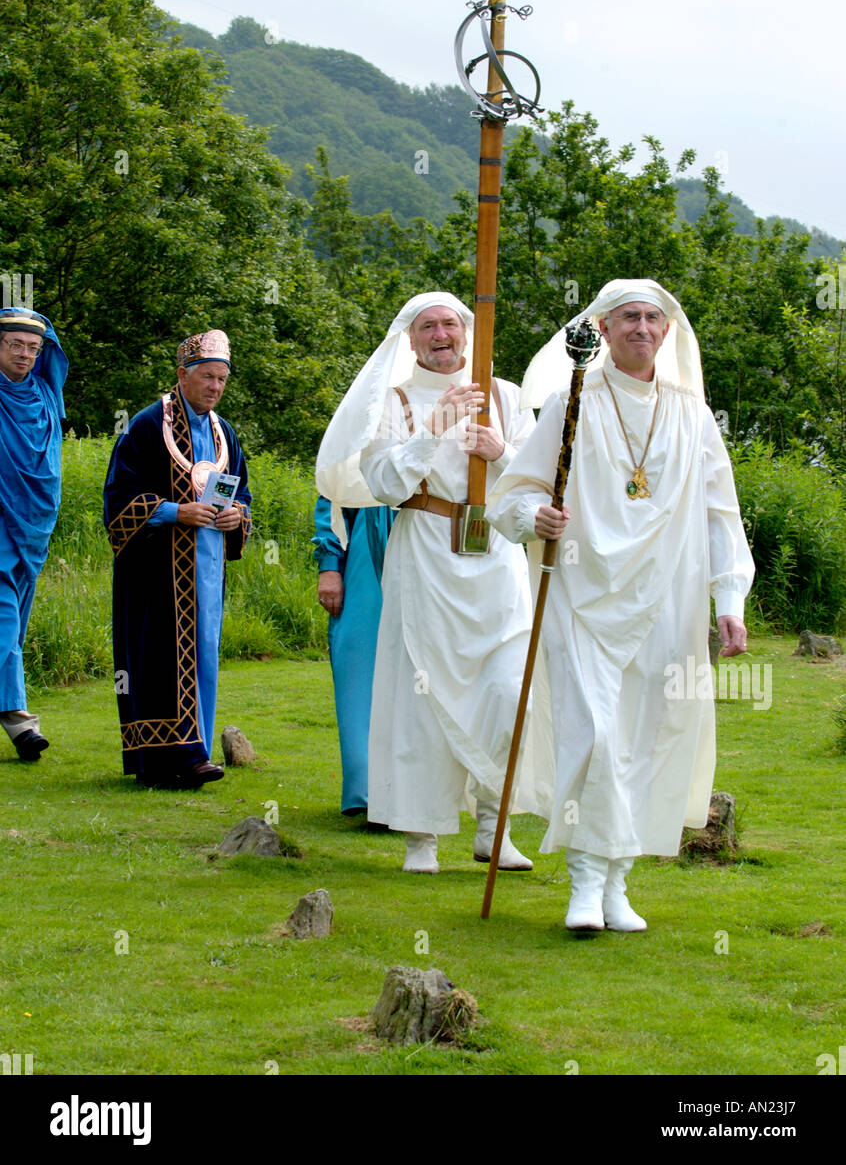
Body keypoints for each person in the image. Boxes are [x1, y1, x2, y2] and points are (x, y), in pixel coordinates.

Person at [487, 280, 754, 931]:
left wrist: (729, 598)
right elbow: (510, 496)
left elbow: (721, 513)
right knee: (596, 735)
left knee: (644, 737)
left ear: (668, 331)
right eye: (628, 316)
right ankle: (583, 881)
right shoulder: (572, 402)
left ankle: (618, 884)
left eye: (652, 317)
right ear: (602, 329)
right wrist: (535, 516)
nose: (641, 326)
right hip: (581, 595)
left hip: (667, 601)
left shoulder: (692, 415)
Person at [316, 292, 552, 873]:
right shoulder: (392, 401)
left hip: (495, 556)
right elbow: (385, 482)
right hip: (424, 552)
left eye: (450, 323)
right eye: (428, 327)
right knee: (421, 698)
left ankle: (494, 828)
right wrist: (434, 429)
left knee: (505, 693)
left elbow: (538, 477)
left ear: (468, 332)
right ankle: (421, 840)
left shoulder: (506, 395)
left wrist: (499, 452)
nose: (441, 334)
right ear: (411, 338)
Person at [103, 330, 251, 788]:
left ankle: (196, 750)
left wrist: (237, 519)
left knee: (201, 656)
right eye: (207, 377)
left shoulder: (224, 432)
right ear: (183, 375)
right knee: (157, 658)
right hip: (155, 570)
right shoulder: (147, 425)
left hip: (205, 570)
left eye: (222, 379)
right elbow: (117, 497)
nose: (215, 387)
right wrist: (173, 511)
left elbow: (241, 491)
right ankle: (168, 758)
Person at [0, 307, 68, 762]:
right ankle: (20, 720)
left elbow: (49, 466)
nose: (25, 354)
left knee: (14, 621)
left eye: (33, 348)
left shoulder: (45, 395)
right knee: (2, 615)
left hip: (34, 525)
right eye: (15, 345)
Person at [312, 495, 394, 815]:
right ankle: (367, 790)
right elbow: (332, 492)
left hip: (425, 538)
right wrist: (330, 566)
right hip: (366, 540)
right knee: (358, 663)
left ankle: (411, 790)